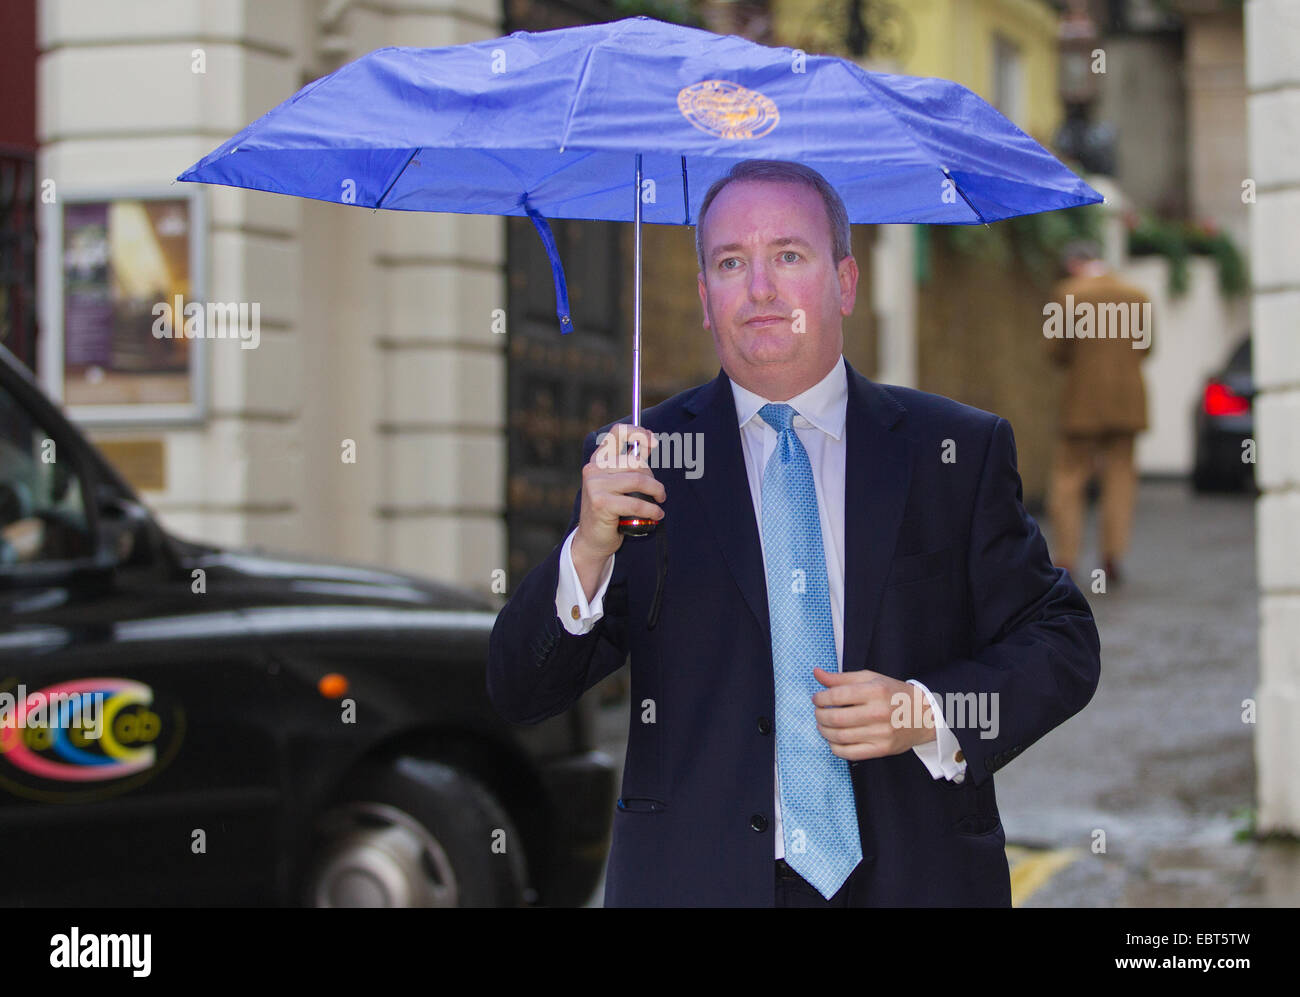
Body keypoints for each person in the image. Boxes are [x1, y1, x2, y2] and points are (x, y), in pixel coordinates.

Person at [488, 159, 1101, 907]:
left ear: (844, 281)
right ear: (705, 299)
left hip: (916, 881)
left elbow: (1064, 643)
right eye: (730, 262)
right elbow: (520, 689)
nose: (761, 288)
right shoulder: (637, 466)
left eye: (788, 254)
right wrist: (588, 547)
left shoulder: (954, 452)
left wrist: (929, 709)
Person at [1045, 240, 1154, 586]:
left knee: (1069, 478)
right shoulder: (1138, 296)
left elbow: (1055, 350)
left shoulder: (1068, 294)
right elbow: (1148, 346)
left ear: (1074, 265)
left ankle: (1066, 557)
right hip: (1128, 401)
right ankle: (1112, 555)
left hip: (1082, 402)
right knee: (1121, 478)